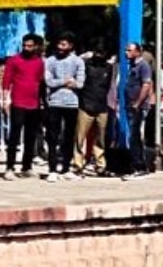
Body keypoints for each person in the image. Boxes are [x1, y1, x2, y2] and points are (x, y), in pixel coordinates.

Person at [2, 33, 45, 179]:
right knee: (14, 136)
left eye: (30, 46)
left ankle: (27, 166)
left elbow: (41, 81)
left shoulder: (39, 62)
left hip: (34, 104)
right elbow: (6, 80)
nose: (26, 48)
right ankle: (9, 167)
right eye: (24, 45)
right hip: (18, 102)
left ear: (36, 47)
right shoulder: (14, 60)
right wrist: (5, 99)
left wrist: (42, 102)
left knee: (31, 137)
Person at [43, 32, 85, 182]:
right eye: (59, 44)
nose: (60, 47)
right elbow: (49, 81)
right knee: (52, 137)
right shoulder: (50, 61)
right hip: (54, 103)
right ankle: (52, 169)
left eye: (64, 44)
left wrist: (64, 82)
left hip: (72, 103)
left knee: (69, 137)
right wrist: (65, 81)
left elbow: (80, 83)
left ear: (70, 46)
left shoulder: (78, 61)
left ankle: (66, 168)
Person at [73, 48, 113, 176]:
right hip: (86, 105)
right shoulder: (86, 65)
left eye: (102, 52)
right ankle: (78, 164)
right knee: (80, 137)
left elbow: (108, 86)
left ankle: (100, 165)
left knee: (100, 138)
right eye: (97, 52)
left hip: (102, 106)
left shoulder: (109, 68)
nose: (99, 55)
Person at [123, 42, 154, 179]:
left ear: (138, 52)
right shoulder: (132, 66)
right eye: (126, 50)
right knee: (133, 136)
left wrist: (138, 103)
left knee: (135, 136)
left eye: (129, 50)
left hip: (138, 107)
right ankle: (136, 164)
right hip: (131, 105)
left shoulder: (143, 66)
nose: (126, 53)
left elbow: (146, 85)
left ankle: (140, 166)